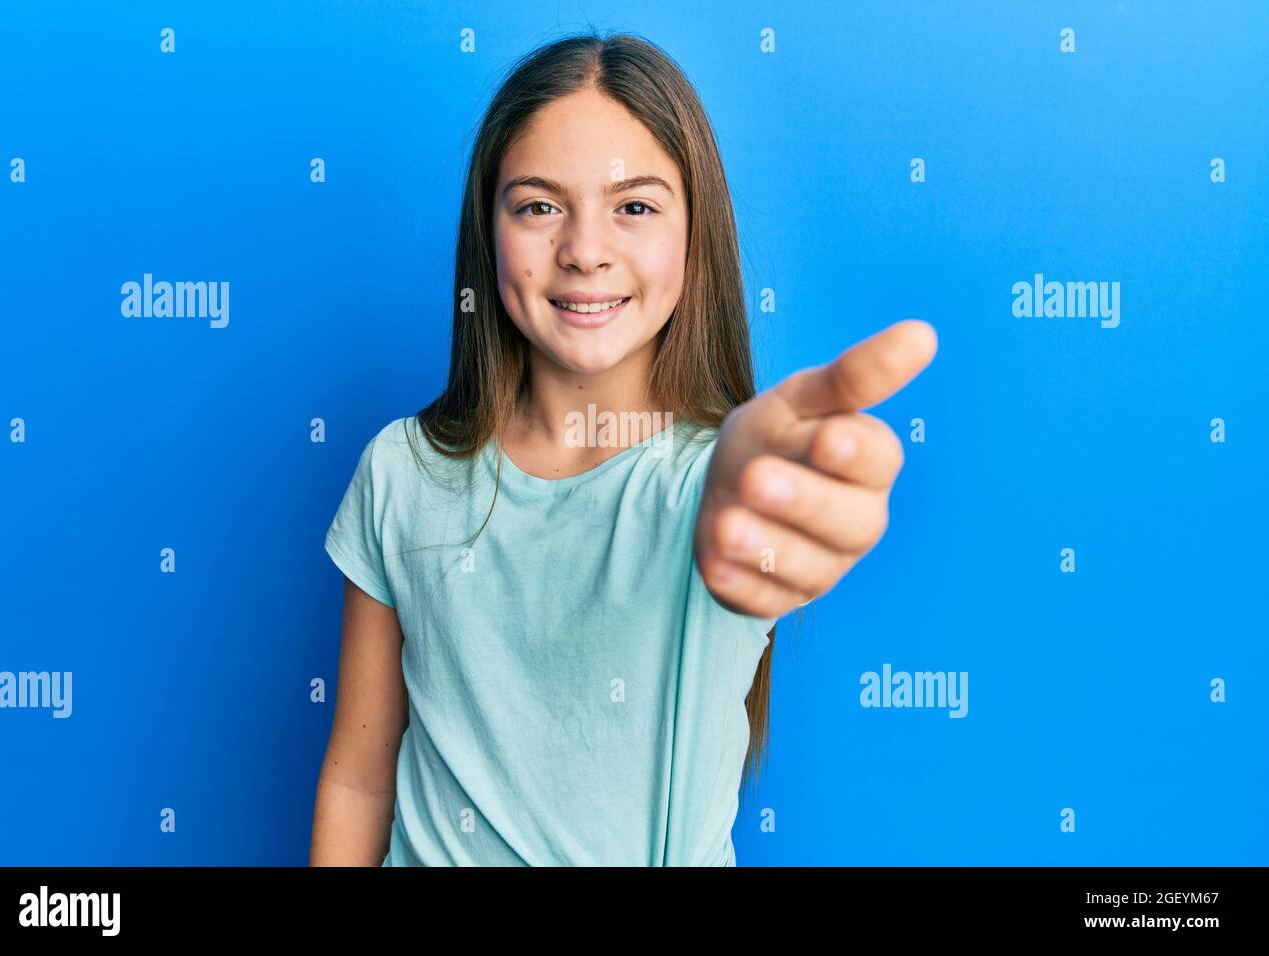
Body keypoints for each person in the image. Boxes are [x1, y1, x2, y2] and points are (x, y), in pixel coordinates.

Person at [308, 30, 936, 866]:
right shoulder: (400, 472)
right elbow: (358, 781)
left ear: (694, 235)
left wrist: (775, 491)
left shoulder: (718, 482)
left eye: (634, 207)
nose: (584, 251)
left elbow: (746, 518)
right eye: (538, 206)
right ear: (488, 232)